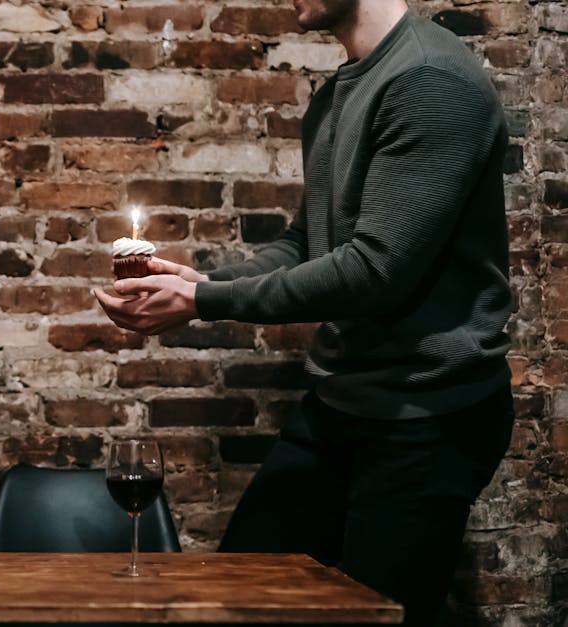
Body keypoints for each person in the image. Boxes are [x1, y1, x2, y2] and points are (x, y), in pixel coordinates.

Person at [95, 1, 513, 624]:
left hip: (427, 414)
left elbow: (374, 271)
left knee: (375, 617)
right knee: (243, 595)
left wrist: (205, 301)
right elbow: (307, 245)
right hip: (343, 402)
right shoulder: (341, 90)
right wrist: (203, 283)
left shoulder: (432, 80)